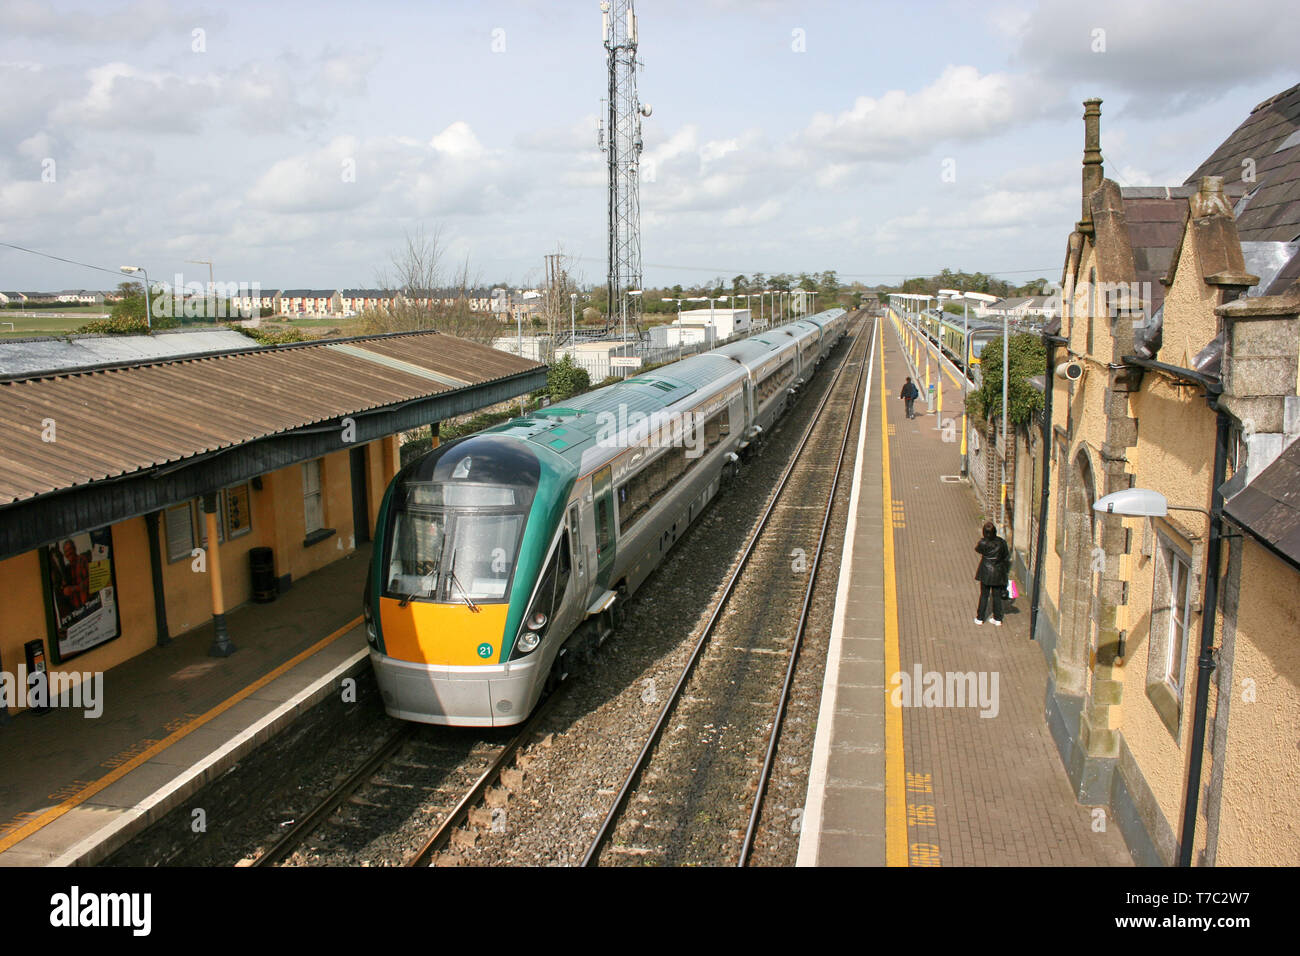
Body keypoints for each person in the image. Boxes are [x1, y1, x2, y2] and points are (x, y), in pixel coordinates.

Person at [973, 520, 1009, 626]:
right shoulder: (1002, 542)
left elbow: (978, 550)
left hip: (985, 572)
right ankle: (997, 618)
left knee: (984, 595)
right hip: (998, 572)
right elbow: (1005, 554)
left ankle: (980, 618)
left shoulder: (983, 542)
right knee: (996, 596)